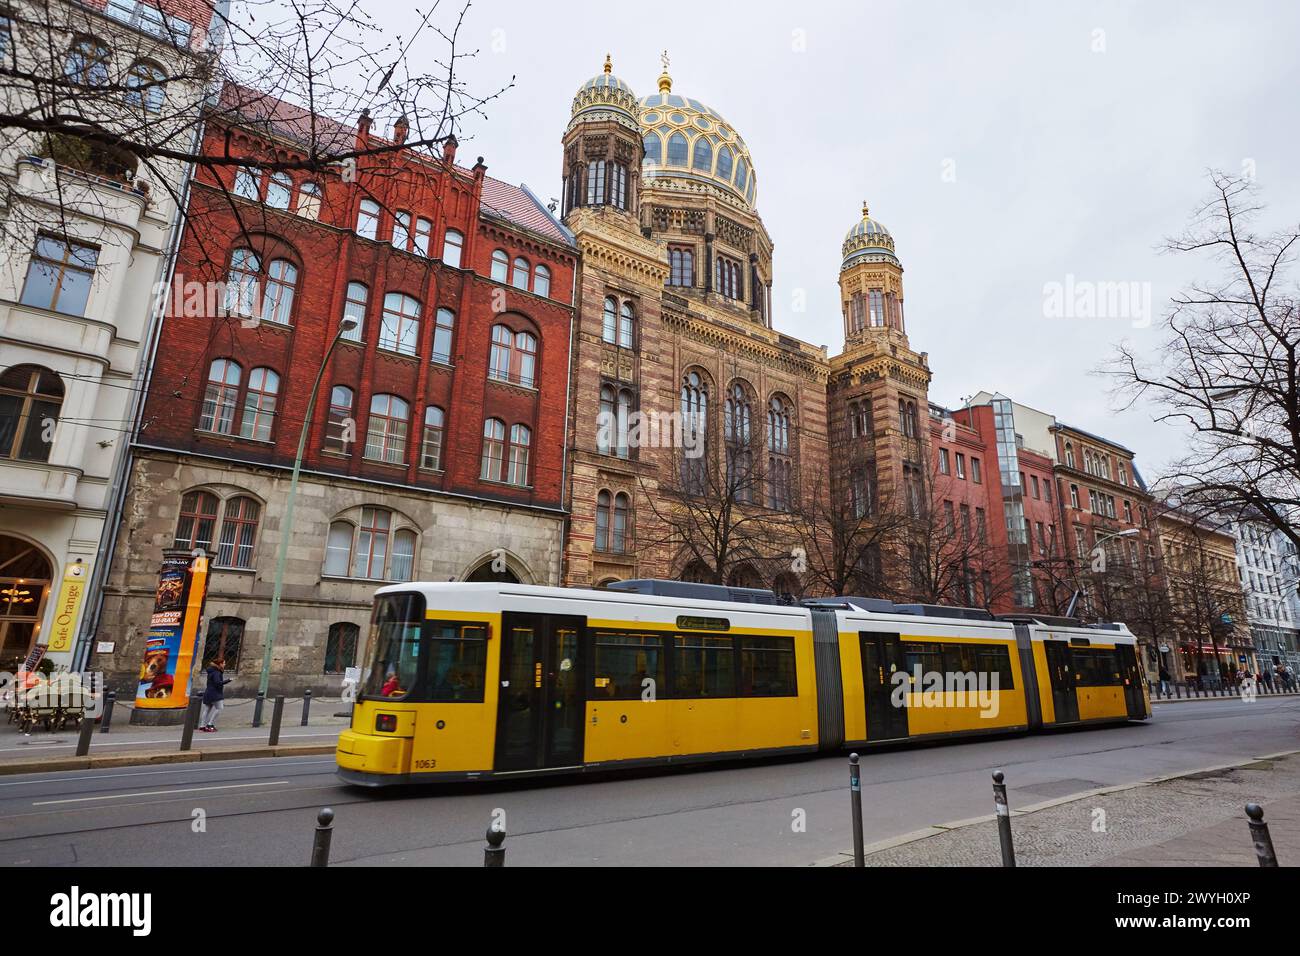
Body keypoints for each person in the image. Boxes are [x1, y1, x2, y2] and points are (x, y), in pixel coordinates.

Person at [200, 657, 231, 732]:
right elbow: (217, 683)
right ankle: (210, 724)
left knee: (207, 709)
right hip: (215, 693)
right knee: (219, 708)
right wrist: (228, 680)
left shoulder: (211, 671)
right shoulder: (217, 672)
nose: (225, 664)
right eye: (223, 663)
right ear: (220, 664)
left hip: (209, 692)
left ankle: (202, 725)